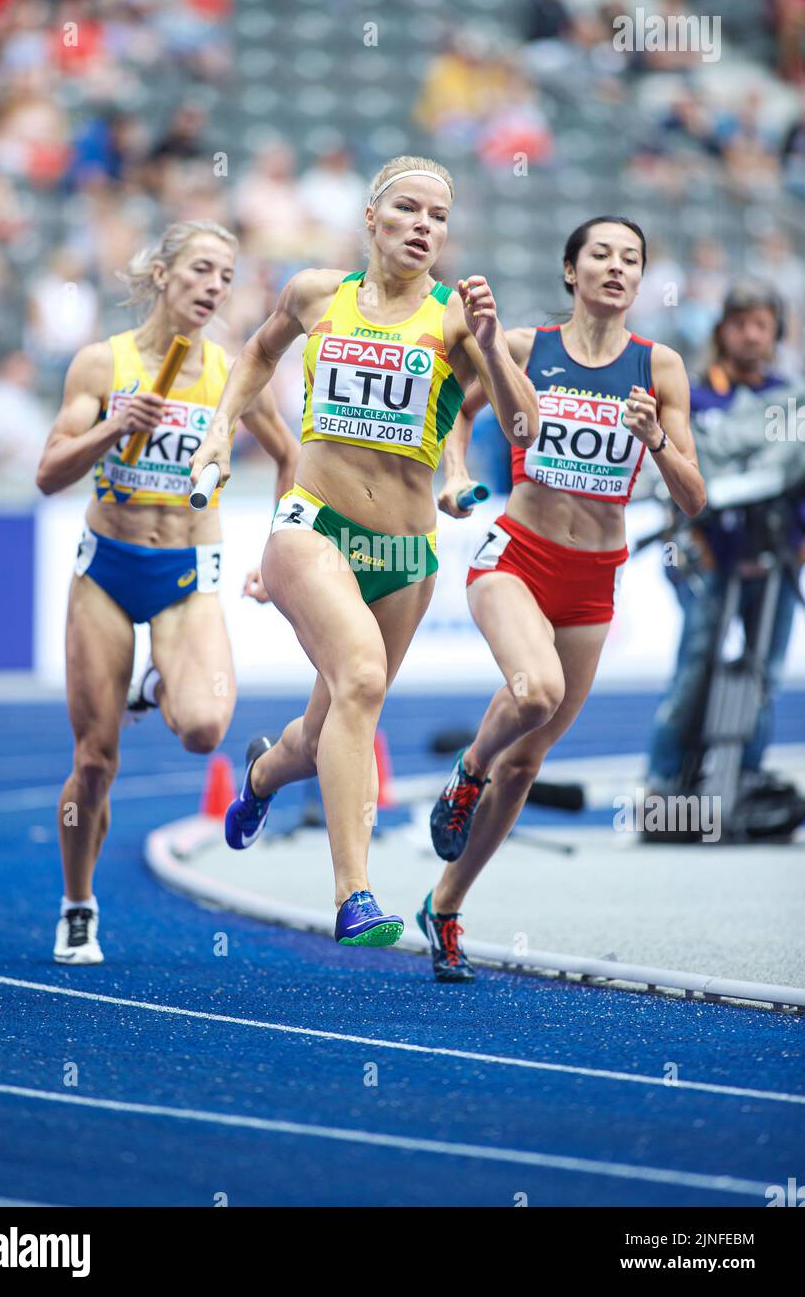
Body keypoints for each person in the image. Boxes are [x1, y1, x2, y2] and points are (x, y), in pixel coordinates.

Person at [190, 155, 538, 949]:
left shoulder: (456, 319)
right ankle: (355, 894)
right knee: (362, 679)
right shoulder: (319, 293)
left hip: (406, 554)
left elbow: (521, 430)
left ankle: (259, 777)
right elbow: (255, 355)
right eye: (409, 209)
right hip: (310, 526)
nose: (424, 226)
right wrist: (218, 433)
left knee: (323, 736)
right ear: (372, 220)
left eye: (439, 216)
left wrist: (491, 344)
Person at [423, 216, 706, 982]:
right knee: (535, 692)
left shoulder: (662, 368)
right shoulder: (523, 347)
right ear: (571, 271)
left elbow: (694, 499)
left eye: (632, 259)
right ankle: (467, 770)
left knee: (530, 763)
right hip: (517, 555)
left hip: (595, 577)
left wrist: (657, 442)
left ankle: (445, 906)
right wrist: (453, 476)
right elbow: (458, 407)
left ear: (641, 280)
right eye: (602, 256)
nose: (617, 268)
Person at [36, 219, 298, 965]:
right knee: (95, 761)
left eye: (226, 276)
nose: (215, 287)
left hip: (188, 575)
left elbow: (290, 456)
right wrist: (113, 427)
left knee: (206, 728)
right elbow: (49, 475)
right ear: (162, 275)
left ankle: (154, 681)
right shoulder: (102, 363)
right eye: (201, 271)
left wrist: (281, 547)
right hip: (107, 572)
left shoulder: (229, 372)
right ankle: (79, 904)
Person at [646, 280, 804, 798]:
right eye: (741, 325)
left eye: (762, 325)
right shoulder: (692, 391)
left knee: (764, 671)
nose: (751, 335)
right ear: (723, 331)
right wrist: (694, 542)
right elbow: (674, 473)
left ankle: (746, 778)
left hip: (776, 562)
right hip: (707, 558)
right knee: (695, 664)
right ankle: (664, 780)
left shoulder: (791, 400)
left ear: (775, 333)